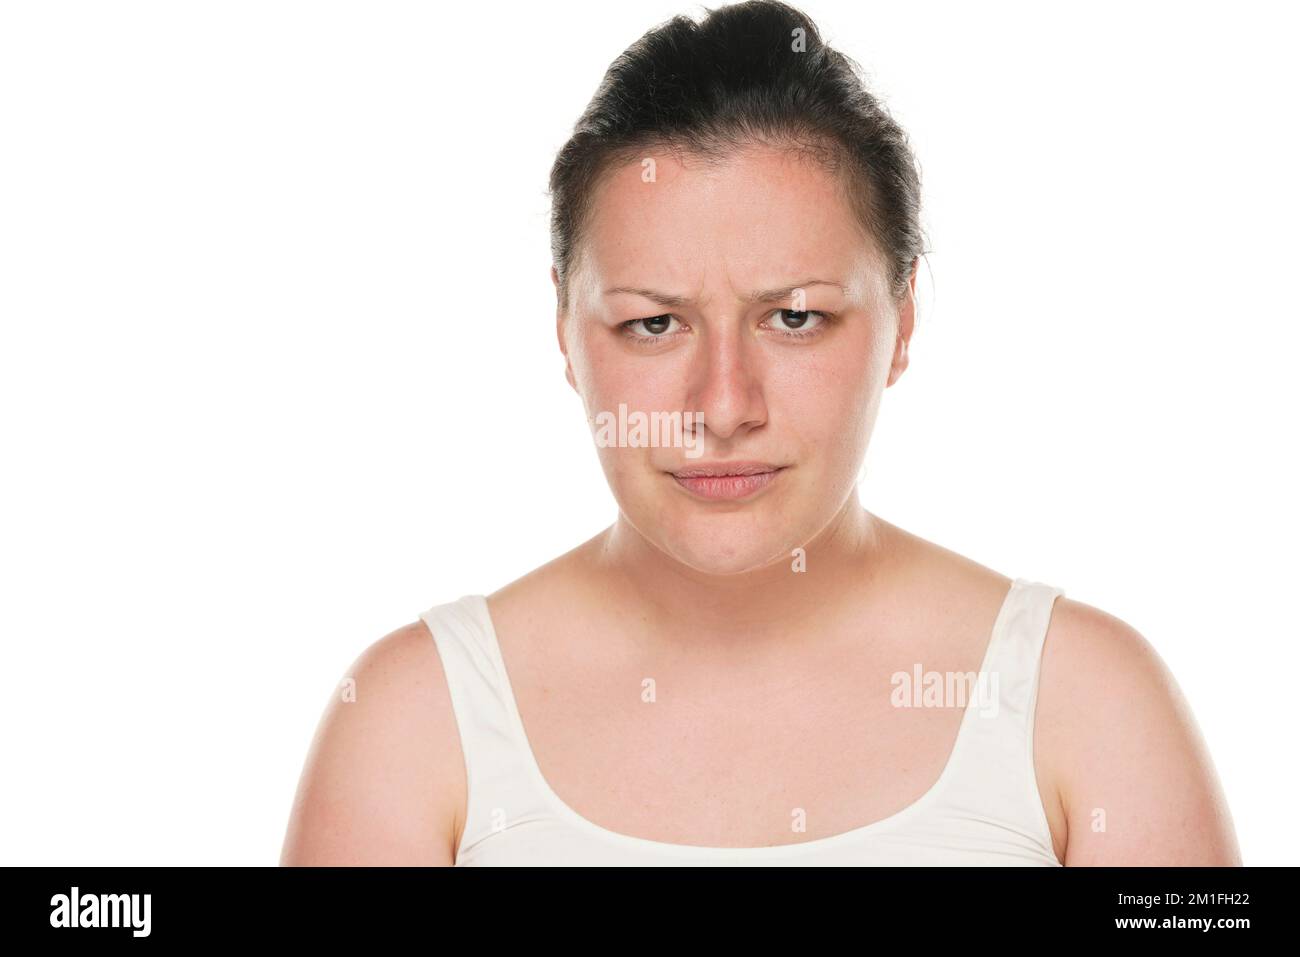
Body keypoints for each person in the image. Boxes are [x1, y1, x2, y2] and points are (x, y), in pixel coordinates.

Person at [280, 0, 1241, 866]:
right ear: (565, 333)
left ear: (903, 321)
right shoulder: (412, 724)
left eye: (795, 318)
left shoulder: (1090, 706)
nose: (724, 404)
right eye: (653, 324)